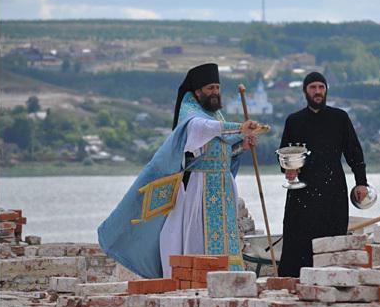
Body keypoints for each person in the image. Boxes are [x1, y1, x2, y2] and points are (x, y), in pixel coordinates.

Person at [98, 63, 259, 278]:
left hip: (223, 187)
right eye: (210, 88)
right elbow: (201, 130)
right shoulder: (191, 115)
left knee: (225, 238)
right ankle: (197, 280)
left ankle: (228, 278)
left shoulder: (216, 116)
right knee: (197, 237)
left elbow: (219, 149)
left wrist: (241, 145)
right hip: (198, 188)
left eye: (217, 88)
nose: (215, 93)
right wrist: (239, 128)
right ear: (197, 91)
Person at [278, 71, 368, 277]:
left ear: (326, 90)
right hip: (302, 192)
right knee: (297, 242)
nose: (317, 92)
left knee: (332, 241)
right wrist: (288, 169)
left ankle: (333, 282)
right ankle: (293, 287)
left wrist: (361, 182)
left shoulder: (340, 118)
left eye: (321, 87)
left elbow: (354, 152)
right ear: (305, 91)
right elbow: (283, 154)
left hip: (332, 190)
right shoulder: (294, 121)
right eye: (313, 88)